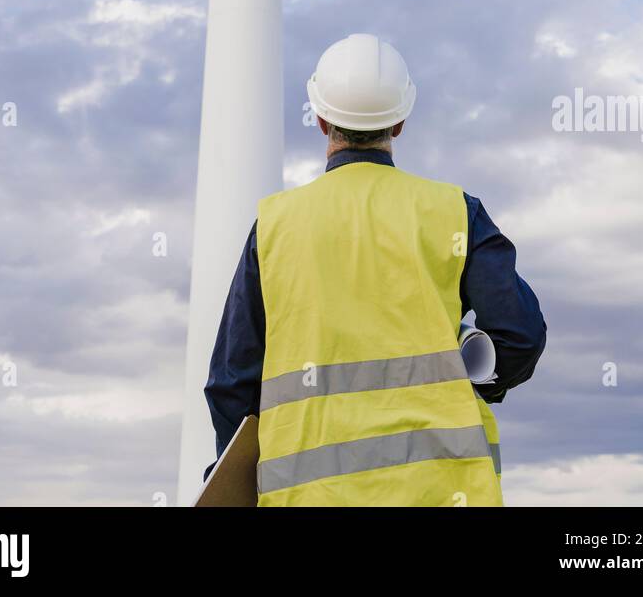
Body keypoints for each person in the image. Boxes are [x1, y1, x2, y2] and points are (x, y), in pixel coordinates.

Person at [205, 33, 546, 506]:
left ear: (321, 120)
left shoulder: (276, 227)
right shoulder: (455, 213)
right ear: (400, 122)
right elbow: (519, 338)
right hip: (443, 492)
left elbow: (232, 381)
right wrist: (465, 376)